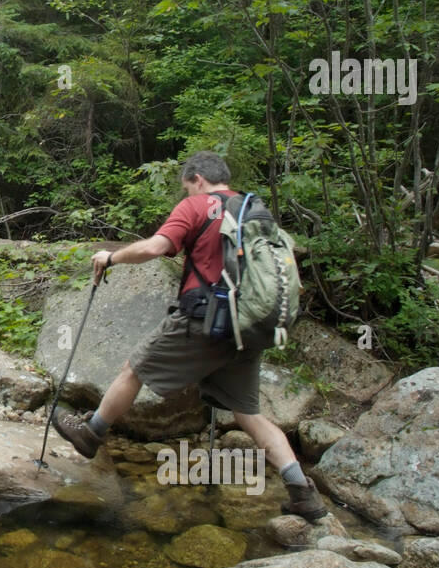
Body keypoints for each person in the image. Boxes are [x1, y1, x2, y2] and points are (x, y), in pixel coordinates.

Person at [50, 150, 329, 521]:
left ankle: (91, 433)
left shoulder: (198, 206)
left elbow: (155, 248)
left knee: (133, 369)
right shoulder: (251, 209)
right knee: (249, 414)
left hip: (204, 320)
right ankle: (302, 493)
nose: (185, 195)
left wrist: (109, 257)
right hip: (247, 328)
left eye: (186, 187)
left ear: (197, 178)